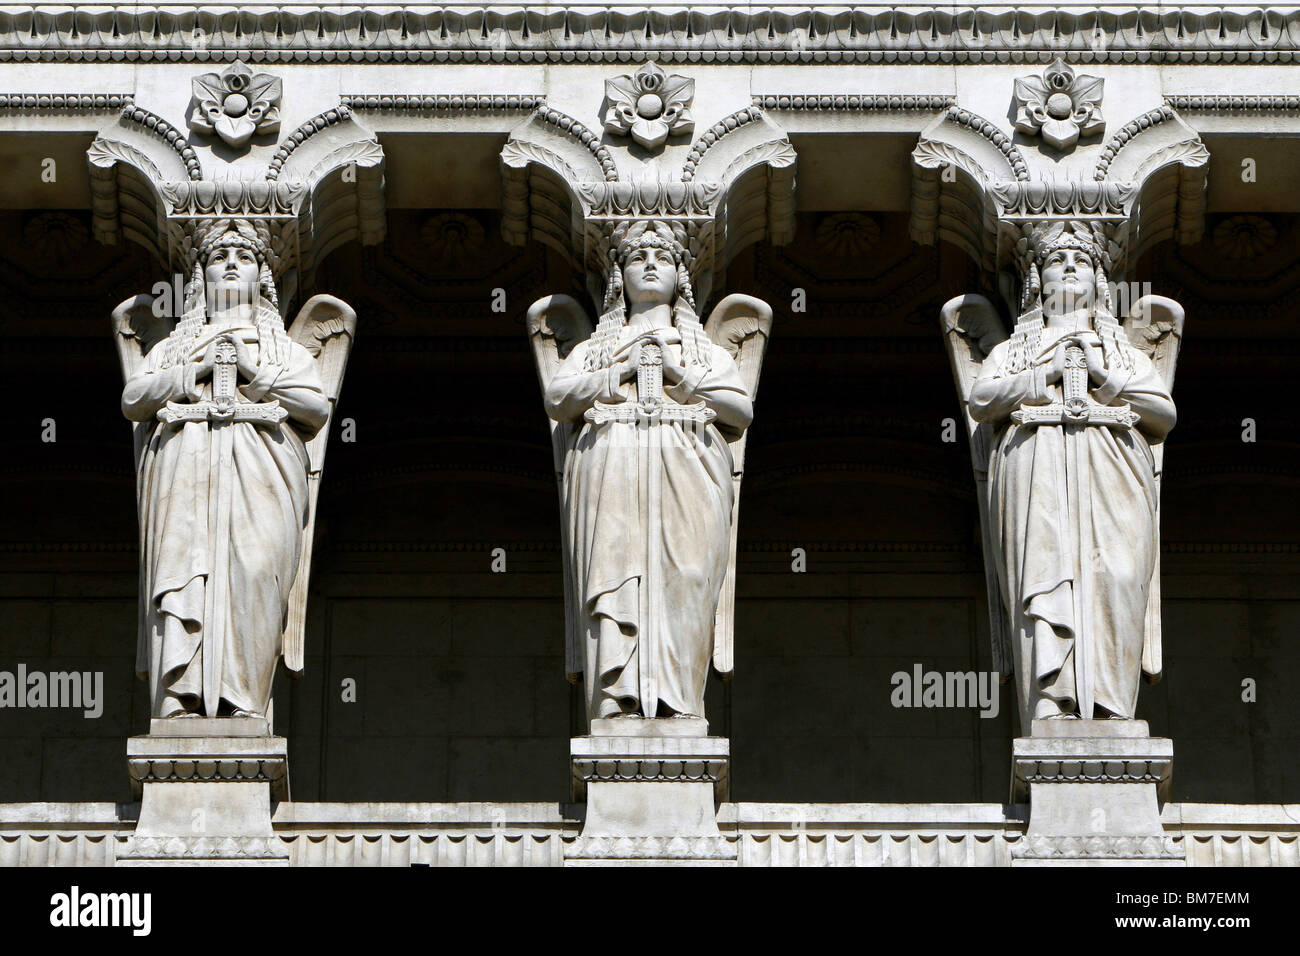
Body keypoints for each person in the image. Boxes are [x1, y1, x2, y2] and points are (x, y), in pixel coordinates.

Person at [544, 222, 753, 722]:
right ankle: (617, 700)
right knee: (615, 576)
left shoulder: (706, 352)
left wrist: (680, 376)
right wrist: (619, 371)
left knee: (688, 575)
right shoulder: (594, 349)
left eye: (663, 256)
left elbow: (739, 411)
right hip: (612, 464)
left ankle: (680, 702)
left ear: (682, 276)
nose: (652, 264)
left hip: (688, 469)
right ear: (619, 278)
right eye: (639, 258)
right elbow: (557, 398)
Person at [122, 219, 330, 719]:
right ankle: (181, 698)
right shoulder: (171, 348)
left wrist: (254, 374)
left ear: (262, 279)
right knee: (183, 576)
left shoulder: (287, 351)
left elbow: (315, 408)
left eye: (244, 257)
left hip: (261, 473)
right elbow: (134, 398)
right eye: (219, 258)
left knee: (254, 572)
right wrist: (193, 371)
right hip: (184, 471)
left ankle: (244, 703)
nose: (231, 264)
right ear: (200, 283)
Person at [968, 225, 1176, 722]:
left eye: (1080, 261)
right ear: (1036, 279)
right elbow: (981, 399)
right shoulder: (1013, 350)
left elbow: (1162, 413)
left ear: (1101, 282)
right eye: (1056, 258)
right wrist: (1048, 373)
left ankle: (1111, 708)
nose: (1067, 266)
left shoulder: (1126, 350)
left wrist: (1103, 376)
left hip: (1115, 469)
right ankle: (1053, 701)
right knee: (1045, 577)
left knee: (1119, 578)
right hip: (1036, 466)